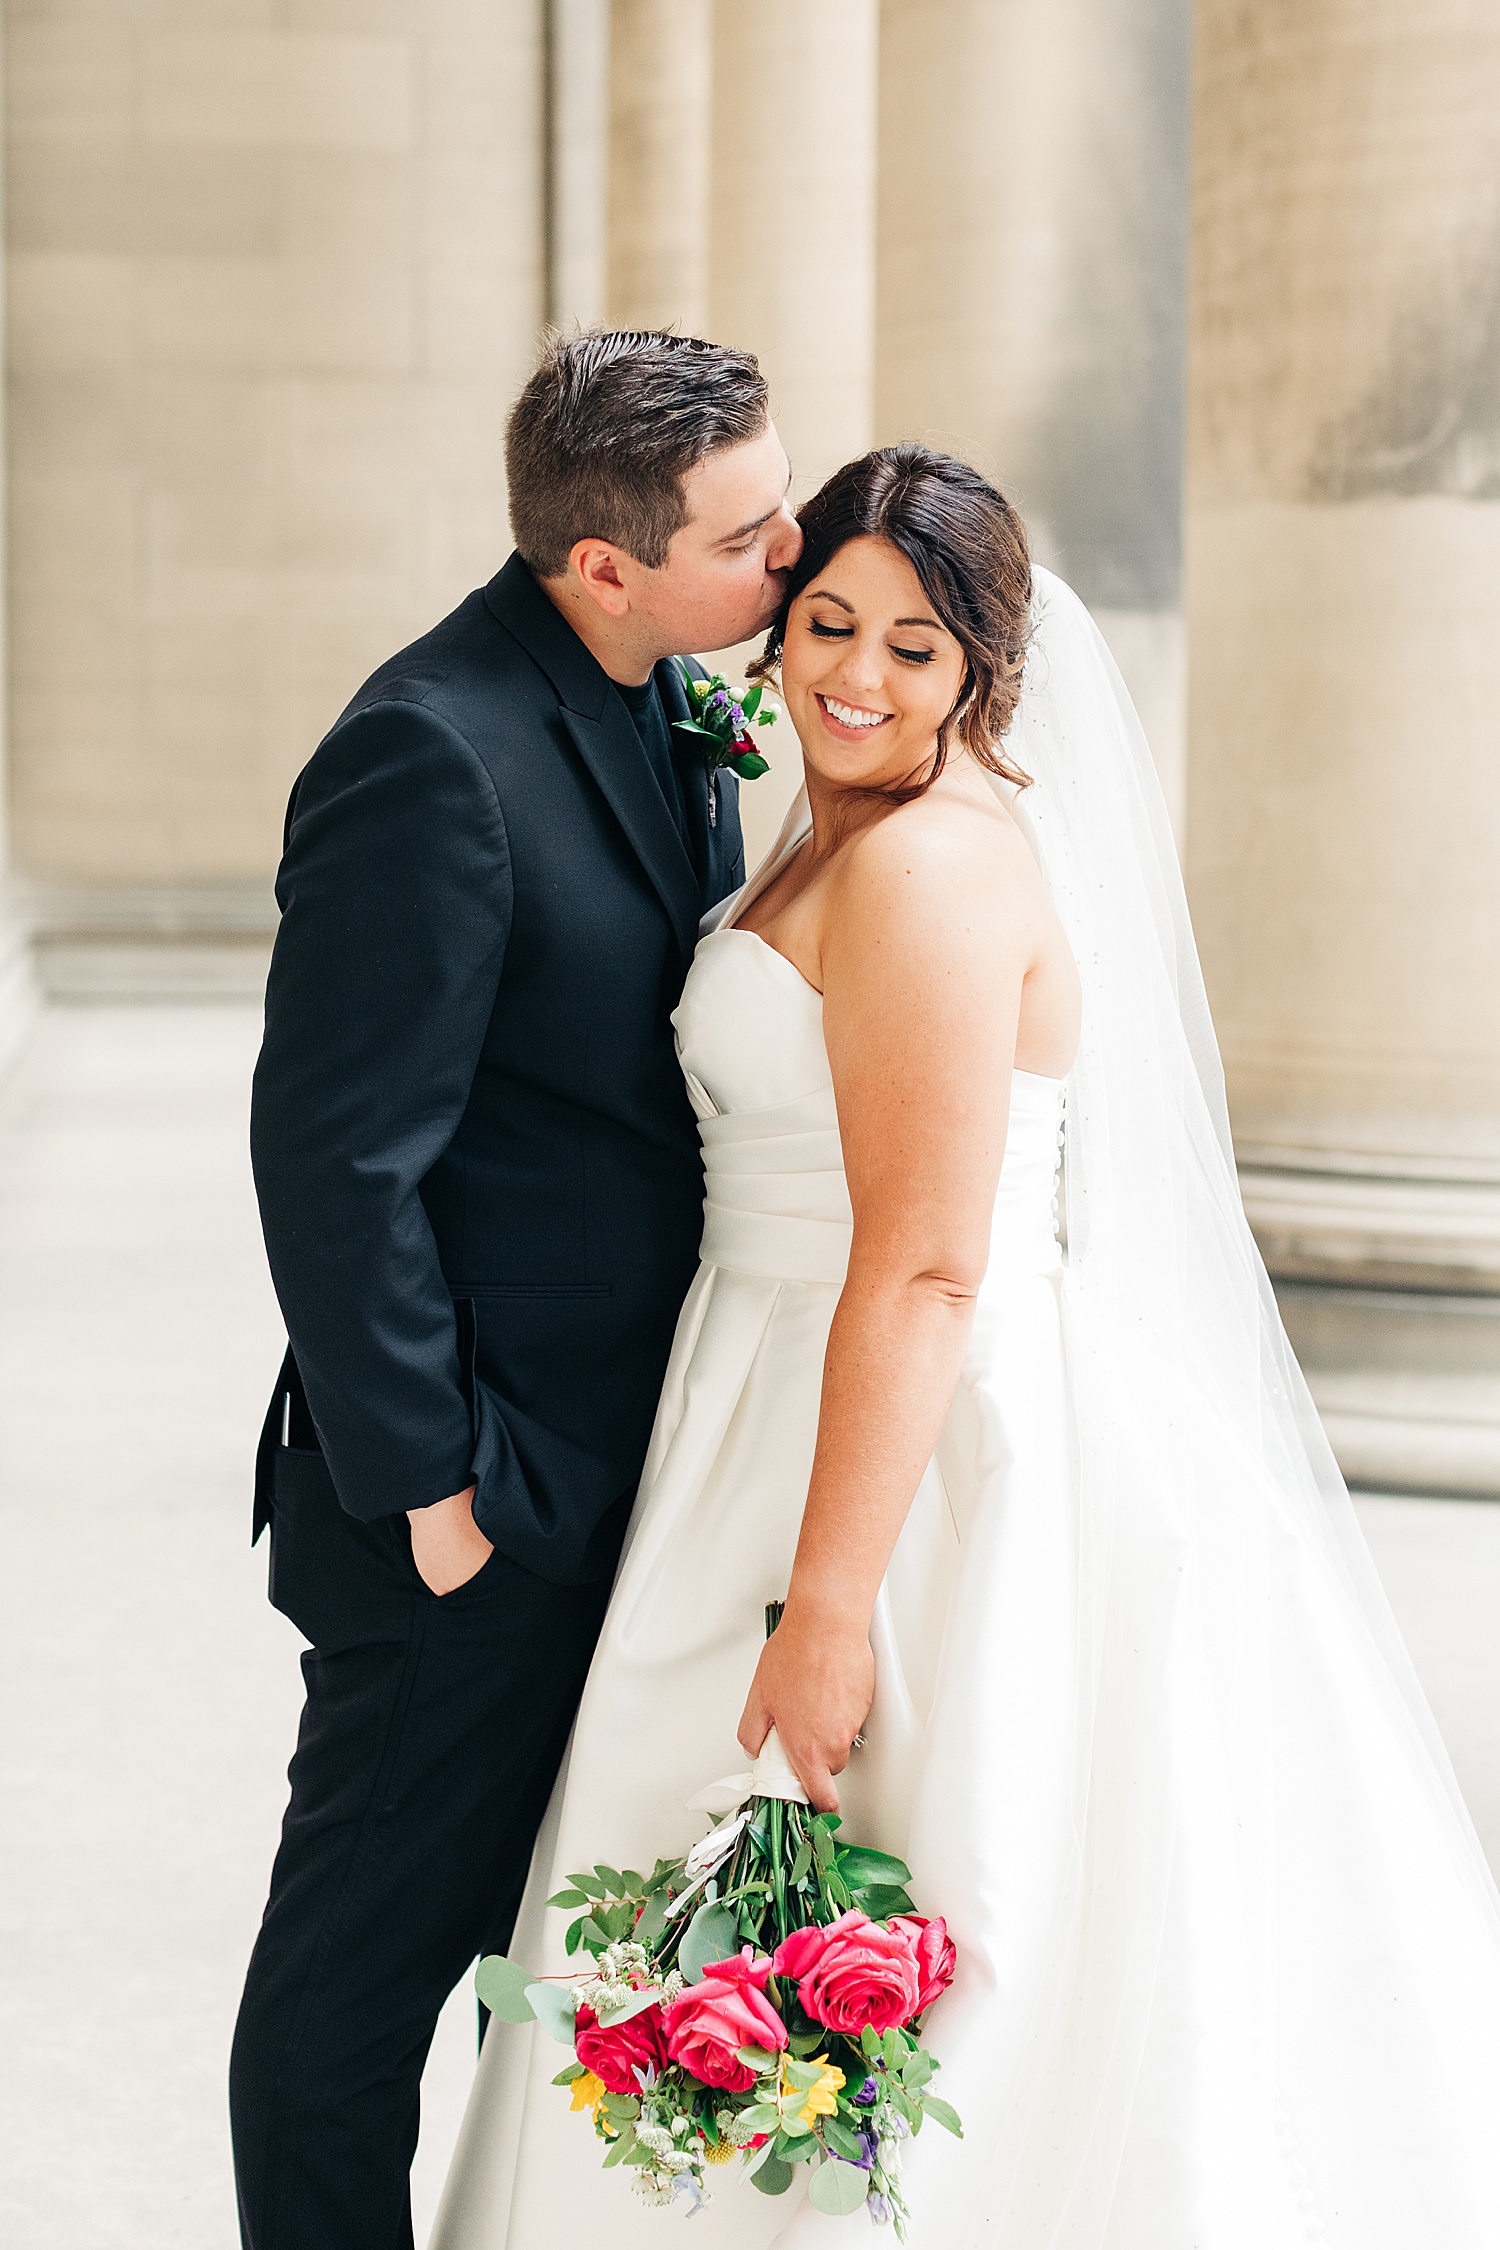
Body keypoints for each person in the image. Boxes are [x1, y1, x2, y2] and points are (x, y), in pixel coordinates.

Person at [432, 445, 1500, 2248]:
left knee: (899, 1899)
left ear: (985, 674)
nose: (854, 673)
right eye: (828, 622)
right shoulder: (837, 824)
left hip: (899, 1446)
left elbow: (927, 1267)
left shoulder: (927, 869)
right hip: (768, 1384)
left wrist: (834, 1606)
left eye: (915, 648)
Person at [230, 329, 802, 2250]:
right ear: (607, 562)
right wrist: (437, 1495)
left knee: (551, 1950)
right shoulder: (429, 749)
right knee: (351, 1992)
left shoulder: (661, 694)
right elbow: (338, 1160)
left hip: (625, 1470)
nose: (793, 552)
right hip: (470, 1497)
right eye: (751, 530)